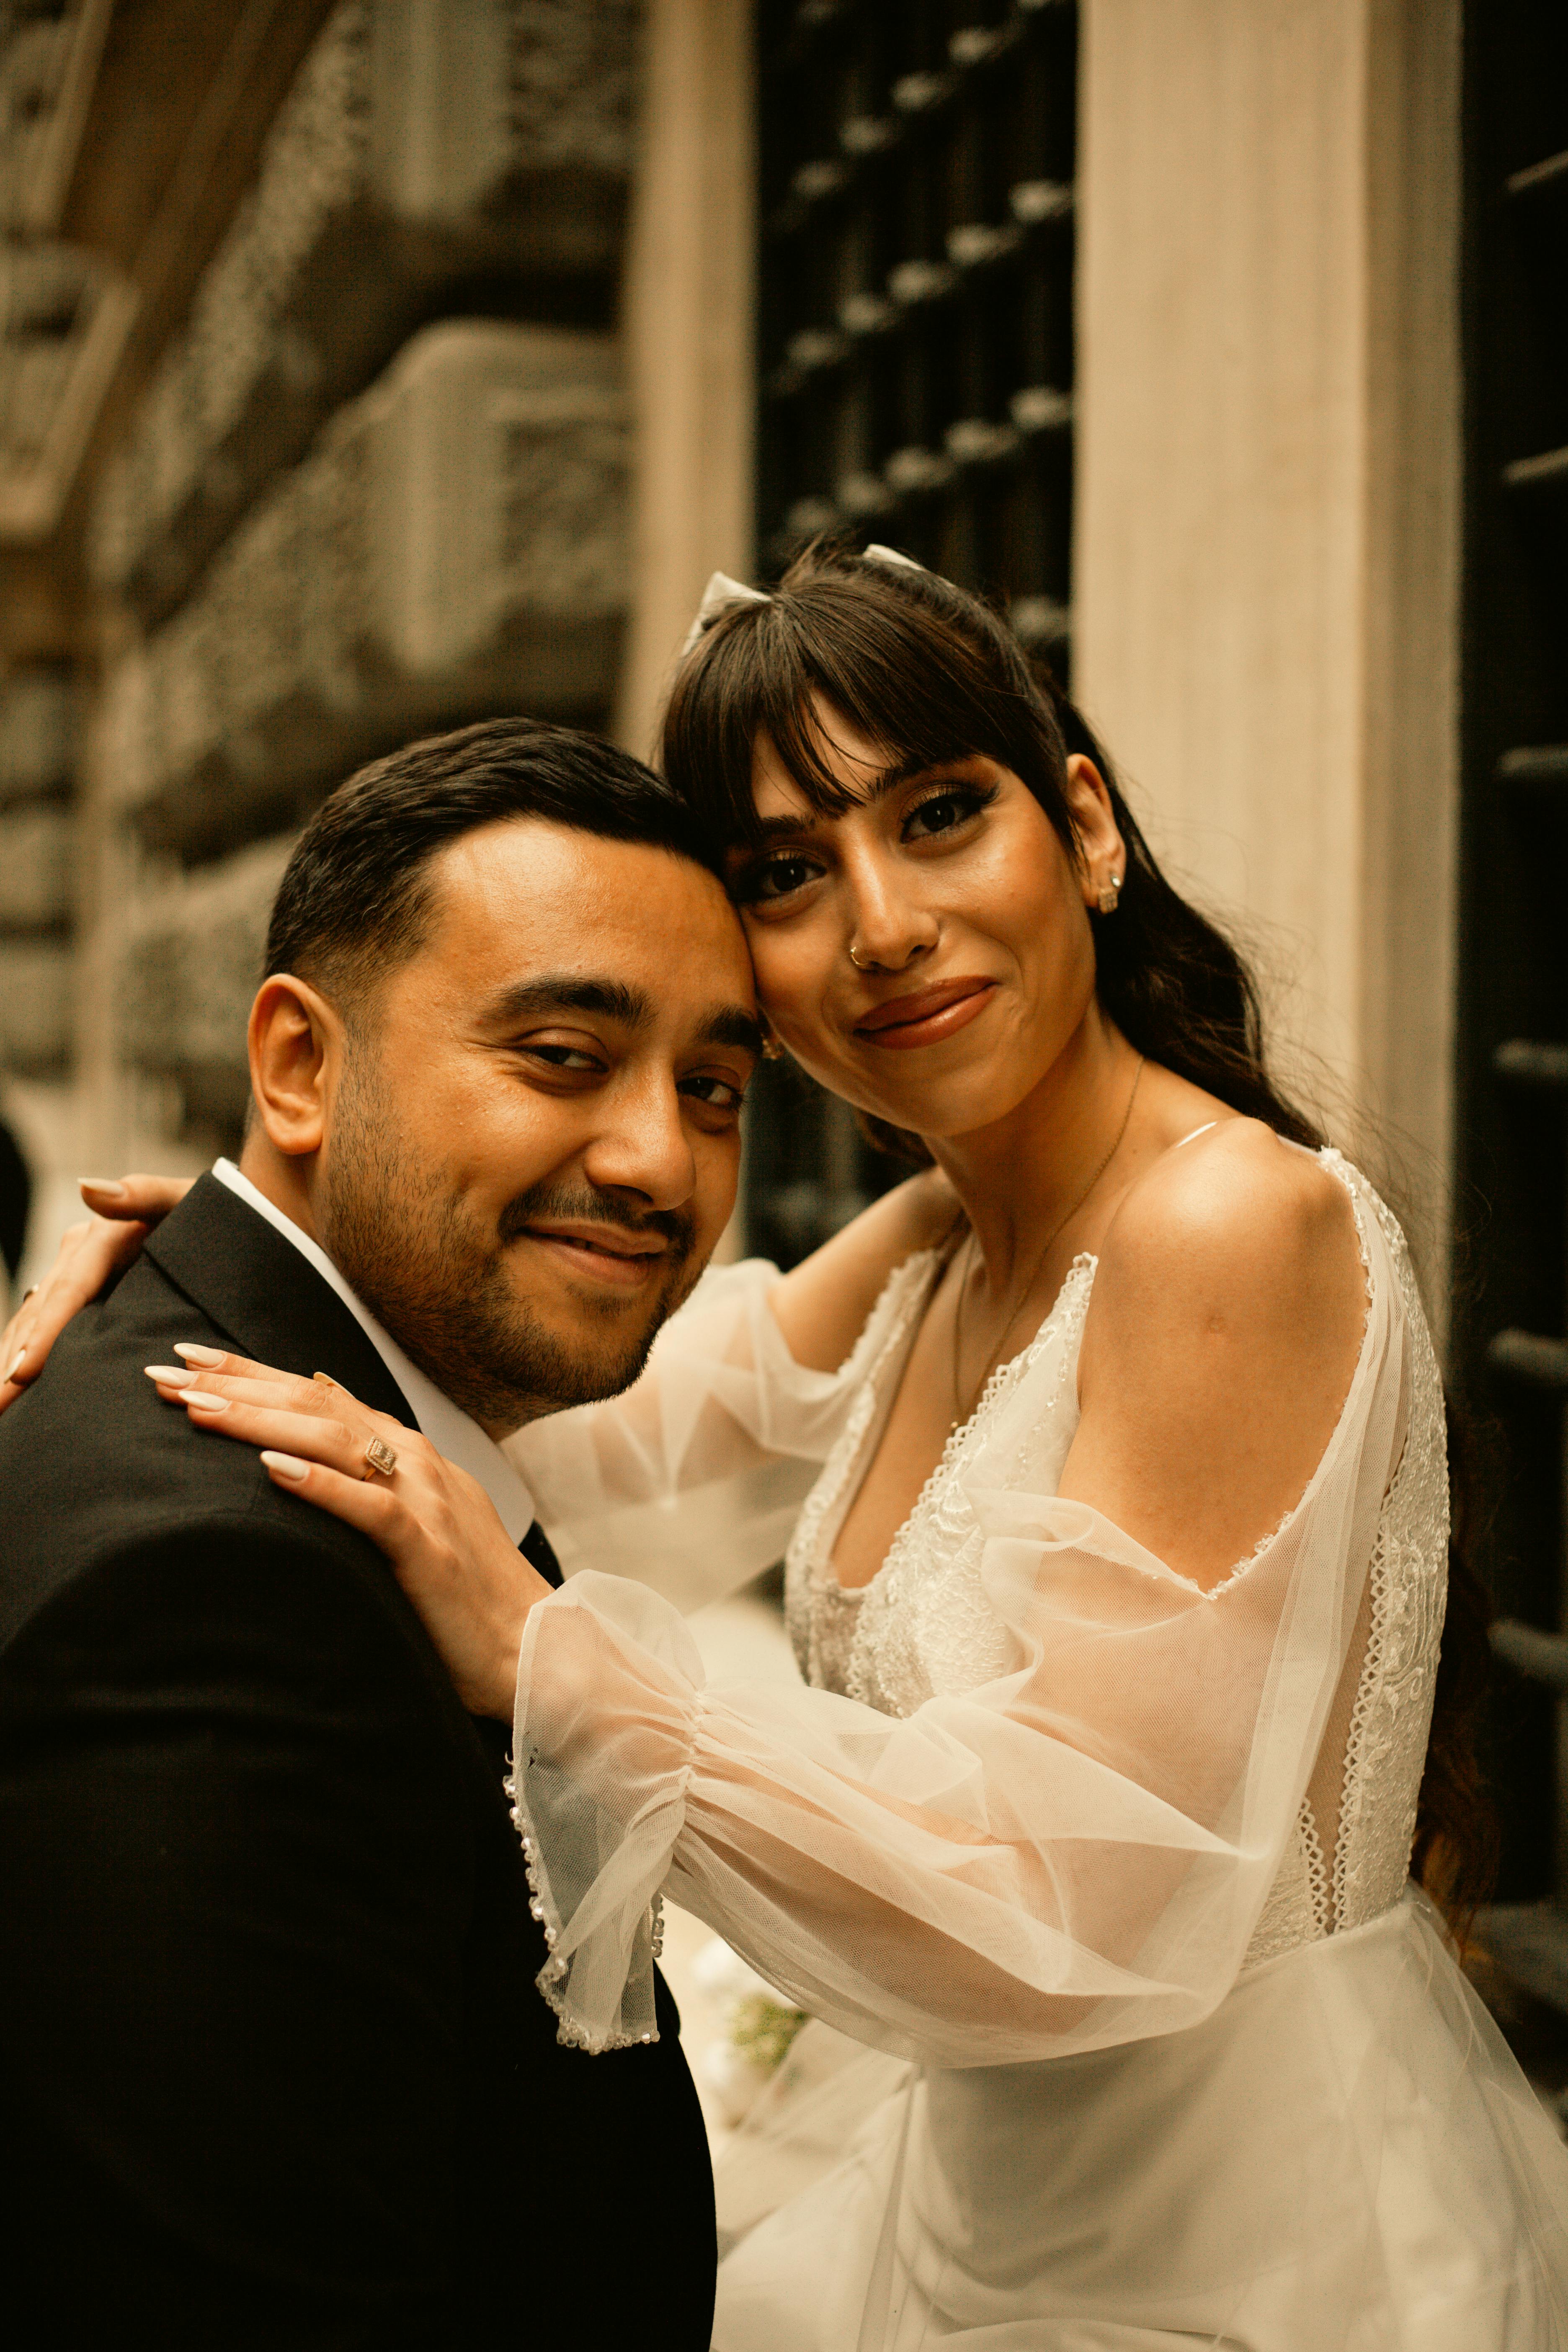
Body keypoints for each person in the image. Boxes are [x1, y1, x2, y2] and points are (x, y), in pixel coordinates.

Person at [13, 548, 1568, 2348]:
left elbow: (1089, 1908)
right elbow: (590, 1432)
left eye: (938, 816)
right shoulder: (932, 1249)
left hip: (1226, 2260)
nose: (885, 922)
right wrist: (251, 1242)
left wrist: (547, 1664)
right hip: (981, 2219)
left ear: (1086, 828)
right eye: (790, 874)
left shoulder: (1223, 1225)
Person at [0, 719, 753, 2347]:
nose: (659, 1160)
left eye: (716, 1089)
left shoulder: (292, 1383)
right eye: (563, 1055)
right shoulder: (233, 1590)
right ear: (298, 1066)